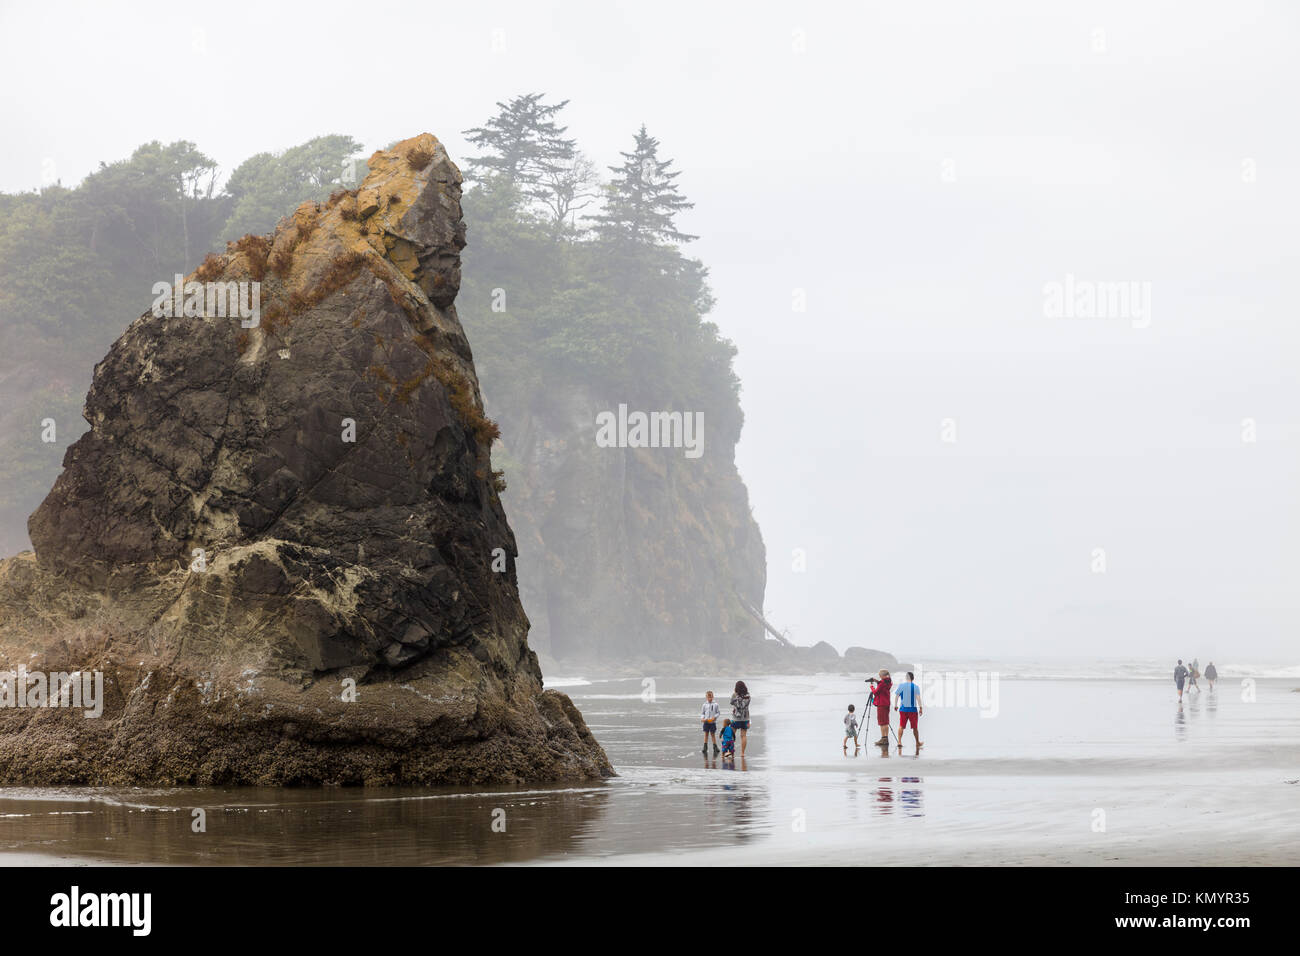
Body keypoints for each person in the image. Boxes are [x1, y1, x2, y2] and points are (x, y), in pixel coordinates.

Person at [894, 671, 923, 752]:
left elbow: (896, 696)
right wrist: (921, 708)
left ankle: (899, 741)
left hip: (903, 709)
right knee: (915, 727)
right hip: (912, 710)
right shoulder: (915, 687)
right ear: (913, 678)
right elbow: (918, 698)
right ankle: (917, 742)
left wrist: (895, 705)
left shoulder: (901, 686)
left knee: (901, 725)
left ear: (906, 678)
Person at [870, 669, 893, 746]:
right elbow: (882, 685)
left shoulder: (882, 683)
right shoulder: (888, 681)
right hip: (886, 703)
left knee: (882, 722)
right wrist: (877, 681)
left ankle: (883, 739)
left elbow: (876, 692)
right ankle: (885, 738)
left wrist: (872, 687)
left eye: (880, 676)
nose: (879, 677)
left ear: (883, 676)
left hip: (881, 704)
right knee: (886, 722)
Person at [729, 681, 751, 757]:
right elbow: (746, 705)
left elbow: (731, 702)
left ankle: (730, 752)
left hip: (736, 718)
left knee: (731, 735)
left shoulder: (735, 695)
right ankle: (742, 753)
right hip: (745, 718)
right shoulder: (748, 695)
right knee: (743, 736)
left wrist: (735, 696)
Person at [701, 690, 720, 756]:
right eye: (708, 697)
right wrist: (702, 718)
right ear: (706, 697)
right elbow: (702, 713)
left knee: (712, 735)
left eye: (711, 697)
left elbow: (718, 713)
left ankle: (715, 747)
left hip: (712, 722)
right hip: (706, 722)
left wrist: (715, 717)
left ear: (713, 697)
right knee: (706, 734)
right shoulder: (704, 705)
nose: (710, 698)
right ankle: (705, 747)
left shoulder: (715, 704)